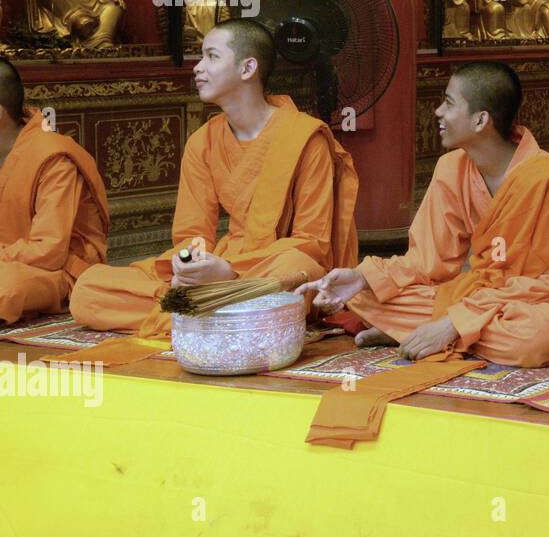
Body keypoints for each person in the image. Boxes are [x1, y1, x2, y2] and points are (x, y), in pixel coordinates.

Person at [70, 19, 358, 339]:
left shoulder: (304, 137)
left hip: (275, 270)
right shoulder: (203, 142)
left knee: (294, 266)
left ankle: (193, 311)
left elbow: (313, 244)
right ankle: (221, 313)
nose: (198, 68)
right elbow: (193, 235)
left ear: (248, 68)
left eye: (211, 56)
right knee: (89, 288)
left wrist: (230, 273)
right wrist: (190, 264)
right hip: (223, 266)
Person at [299, 61, 549, 366]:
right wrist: (362, 278)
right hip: (483, 295)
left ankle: (422, 333)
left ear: (481, 120)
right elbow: (427, 262)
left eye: (448, 103)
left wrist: (454, 323)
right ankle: (428, 333)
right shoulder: (452, 168)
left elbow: (546, 283)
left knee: (535, 338)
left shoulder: (546, 177)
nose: (438, 112)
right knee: (366, 296)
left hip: (543, 302)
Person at [0, 58, 109, 325]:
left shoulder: (52, 157)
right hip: (8, 261)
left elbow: (48, 252)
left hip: (56, 271)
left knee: (7, 286)